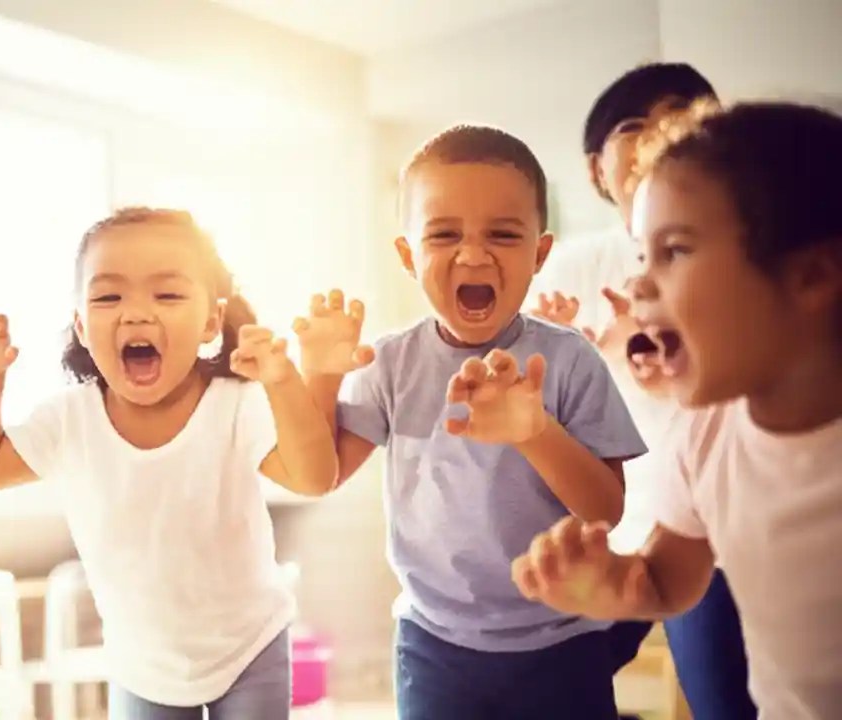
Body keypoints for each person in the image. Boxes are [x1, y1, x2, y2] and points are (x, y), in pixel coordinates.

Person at [300, 125, 646, 719]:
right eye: (443, 234)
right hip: (435, 643)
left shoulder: (568, 360)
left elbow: (606, 510)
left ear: (540, 255)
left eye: (504, 234)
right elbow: (319, 474)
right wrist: (319, 377)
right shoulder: (389, 362)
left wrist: (535, 432)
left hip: (563, 637)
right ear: (408, 257)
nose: (474, 253)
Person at [513, 102, 842, 719]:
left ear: (811, 276)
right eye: (642, 255)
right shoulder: (706, 433)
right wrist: (614, 585)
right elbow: (668, 575)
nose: (639, 284)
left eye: (676, 251)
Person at [0, 207, 336, 719]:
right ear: (82, 325)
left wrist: (284, 383)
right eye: (109, 296)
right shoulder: (70, 420)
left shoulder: (235, 404)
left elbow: (314, 477)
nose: (135, 313)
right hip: (141, 668)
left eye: (167, 294)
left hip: (248, 647)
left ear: (211, 322)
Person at [529, 63, 755, 719]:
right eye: (634, 126)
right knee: (553, 691)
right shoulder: (567, 267)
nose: (662, 134)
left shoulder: (741, 258)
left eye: (684, 116)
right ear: (597, 168)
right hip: (607, 523)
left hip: (709, 524)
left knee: (727, 700)